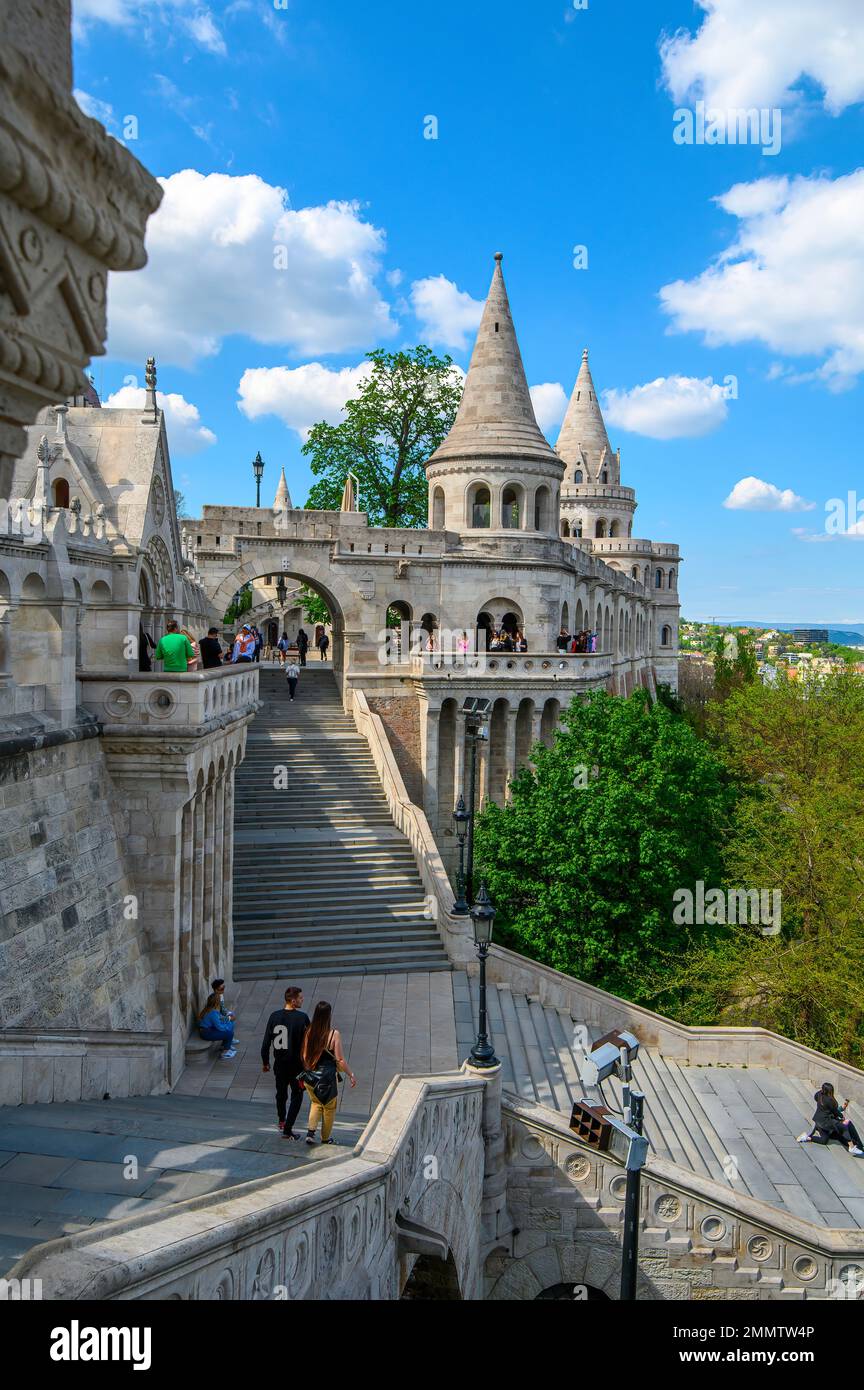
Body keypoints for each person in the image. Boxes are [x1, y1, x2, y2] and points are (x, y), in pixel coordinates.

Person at [299, 1000, 356, 1145]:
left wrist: (309, 1071)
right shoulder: (334, 1034)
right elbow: (340, 1060)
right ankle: (325, 1138)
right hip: (328, 1079)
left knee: (315, 1103)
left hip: (311, 1077)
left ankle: (310, 1133)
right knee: (329, 1108)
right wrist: (350, 1074)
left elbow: (305, 1056)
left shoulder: (309, 1031)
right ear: (328, 1015)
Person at [261, 986, 310, 1139]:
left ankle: (281, 1120)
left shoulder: (274, 1016)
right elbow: (309, 1043)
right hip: (297, 1066)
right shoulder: (302, 1018)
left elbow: (266, 1043)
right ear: (293, 1001)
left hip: (280, 1064)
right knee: (297, 1095)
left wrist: (266, 1062)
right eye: (301, 998)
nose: (303, 1000)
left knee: (281, 1094)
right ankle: (288, 1128)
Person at [798, 1082, 864, 1155]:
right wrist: (842, 1117)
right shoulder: (829, 1100)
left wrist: (840, 1109)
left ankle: (806, 1137)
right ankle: (852, 1147)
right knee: (844, 1126)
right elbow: (835, 1112)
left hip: (819, 1122)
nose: (832, 1092)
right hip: (826, 1122)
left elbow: (825, 1106)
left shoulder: (819, 1095)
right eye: (831, 1091)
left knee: (824, 1140)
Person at [198, 992, 236, 1059]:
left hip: (209, 1029)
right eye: (221, 1001)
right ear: (217, 1003)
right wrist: (228, 1027)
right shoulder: (212, 1013)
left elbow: (221, 1018)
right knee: (229, 1033)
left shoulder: (212, 1009)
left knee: (230, 1024)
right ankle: (225, 1052)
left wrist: (229, 1018)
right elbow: (220, 1027)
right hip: (206, 1033)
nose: (222, 1002)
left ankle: (225, 1046)